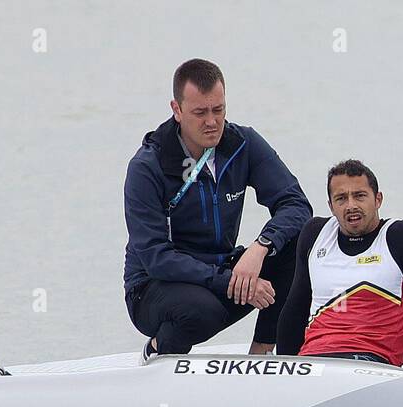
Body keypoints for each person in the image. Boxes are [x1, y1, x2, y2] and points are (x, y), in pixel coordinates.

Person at [124, 58, 313, 361]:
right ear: (177, 109)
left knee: (302, 238)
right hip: (154, 287)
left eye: (218, 110)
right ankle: (157, 351)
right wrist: (230, 282)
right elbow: (155, 258)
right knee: (202, 312)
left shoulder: (243, 143)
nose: (212, 122)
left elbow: (296, 204)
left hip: (221, 271)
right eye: (200, 113)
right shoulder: (147, 166)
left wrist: (260, 247)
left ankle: (263, 353)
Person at [277, 160, 403, 378]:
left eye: (360, 195)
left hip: (371, 365)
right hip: (314, 362)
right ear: (331, 206)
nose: (351, 205)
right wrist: (283, 376)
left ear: (378, 199)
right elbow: (294, 311)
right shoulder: (315, 234)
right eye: (341, 198)